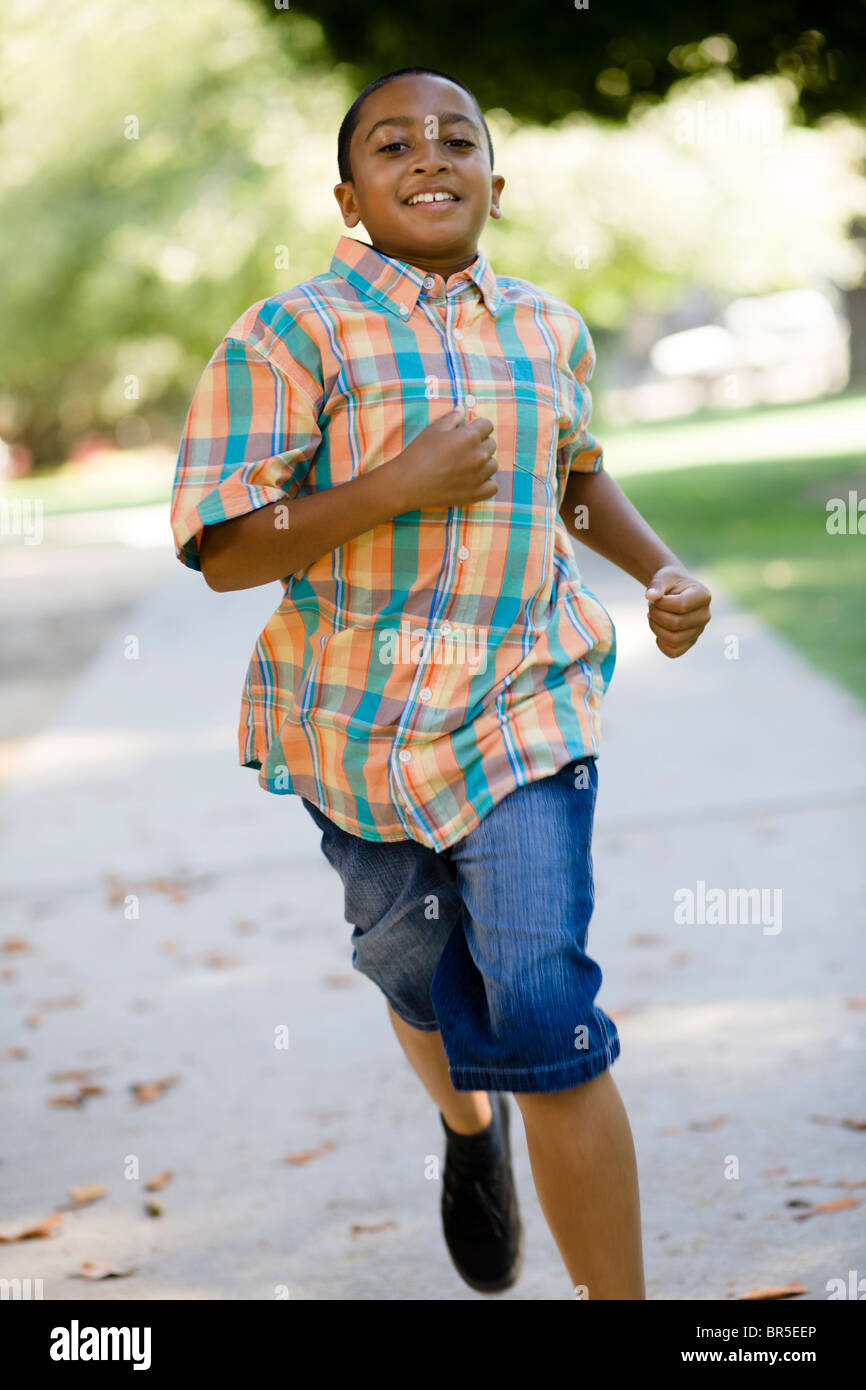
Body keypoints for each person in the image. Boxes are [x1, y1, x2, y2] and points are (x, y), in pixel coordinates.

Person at [170, 65, 712, 1299]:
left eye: (454, 138)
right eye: (391, 141)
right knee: (415, 975)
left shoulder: (547, 328)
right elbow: (222, 547)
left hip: (525, 705)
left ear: (494, 182)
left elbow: (571, 475)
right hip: (354, 728)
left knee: (540, 1004)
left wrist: (660, 570)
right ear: (349, 192)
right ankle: (471, 1130)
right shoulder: (290, 332)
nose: (428, 154)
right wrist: (389, 487)